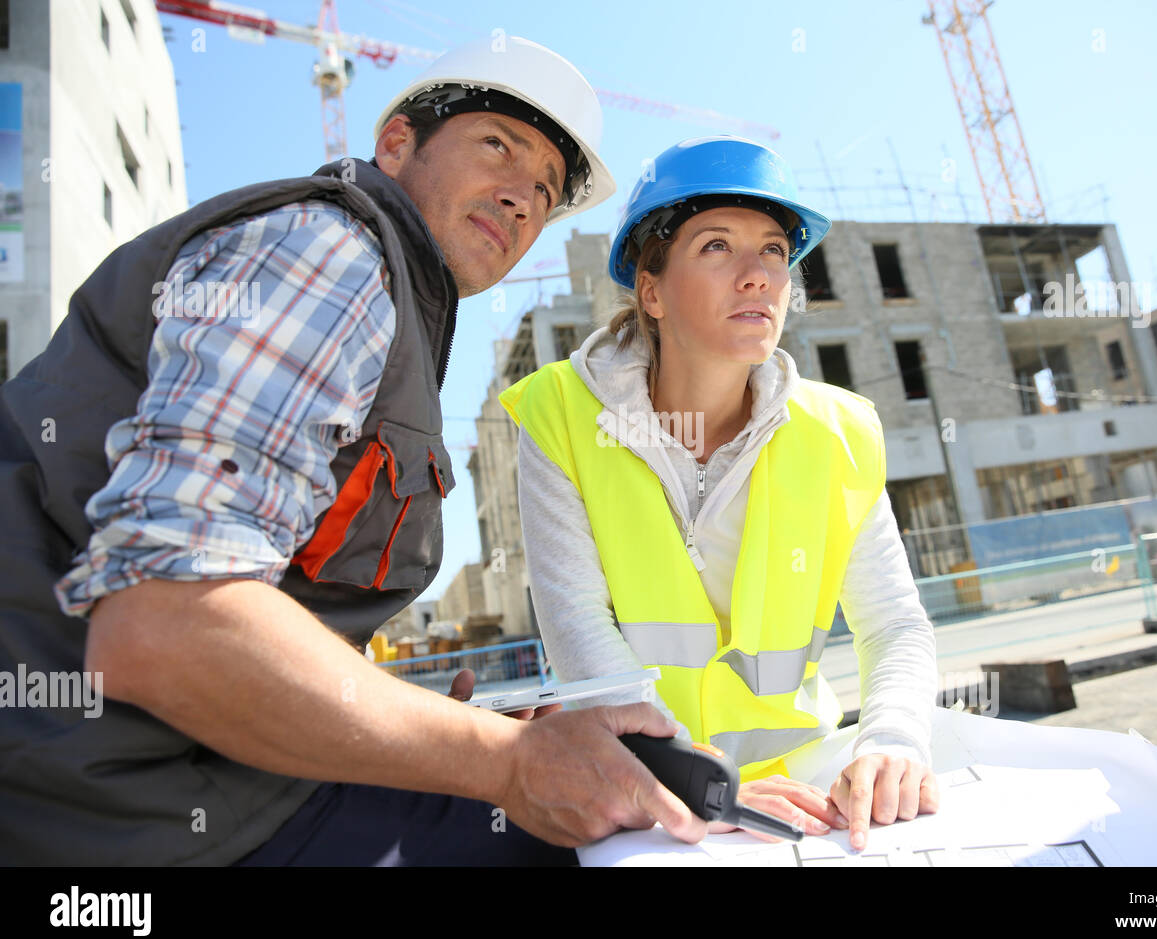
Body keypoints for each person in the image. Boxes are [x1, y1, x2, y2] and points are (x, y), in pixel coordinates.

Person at [0, 36, 707, 866]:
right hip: (128, 808)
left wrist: (441, 732)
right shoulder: (332, 253)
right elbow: (164, 620)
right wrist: (505, 764)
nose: (523, 198)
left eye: (546, 191)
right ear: (397, 144)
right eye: (498, 147)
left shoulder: (392, 302)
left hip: (182, 777)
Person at [500, 136, 940, 850]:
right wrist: (693, 776)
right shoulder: (562, 417)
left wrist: (892, 739)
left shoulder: (840, 433)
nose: (757, 276)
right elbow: (577, 627)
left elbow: (895, 626)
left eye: (773, 251)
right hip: (640, 789)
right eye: (715, 247)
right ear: (651, 290)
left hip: (809, 798)